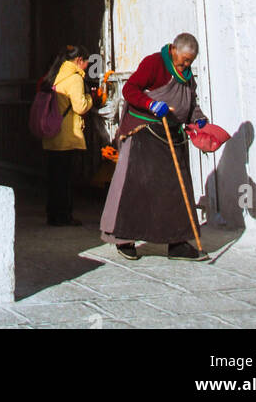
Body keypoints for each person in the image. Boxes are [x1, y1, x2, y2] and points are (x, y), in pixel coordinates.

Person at [100, 32, 210, 261]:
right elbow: (129, 89)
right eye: (185, 60)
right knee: (137, 186)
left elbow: (190, 102)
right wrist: (151, 103)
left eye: (191, 61)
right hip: (144, 131)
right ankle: (124, 237)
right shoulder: (154, 63)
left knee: (176, 190)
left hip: (172, 134)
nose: (187, 65)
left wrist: (197, 118)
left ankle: (178, 242)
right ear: (174, 51)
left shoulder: (186, 75)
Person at [41, 43, 97, 227]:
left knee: (54, 177)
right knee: (65, 178)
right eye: (87, 63)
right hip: (66, 133)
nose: (87, 67)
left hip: (51, 132)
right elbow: (80, 107)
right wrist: (91, 99)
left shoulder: (54, 74)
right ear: (79, 60)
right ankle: (64, 216)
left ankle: (53, 215)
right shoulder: (74, 79)